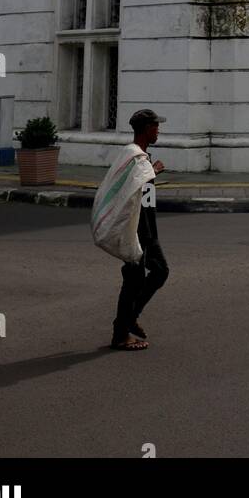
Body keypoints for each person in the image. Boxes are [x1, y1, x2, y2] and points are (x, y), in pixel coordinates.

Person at [92, 108, 170, 351]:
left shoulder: (140, 158)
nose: (159, 130)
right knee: (134, 280)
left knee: (160, 272)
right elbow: (135, 183)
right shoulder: (136, 159)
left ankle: (130, 317)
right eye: (156, 126)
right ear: (147, 129)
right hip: (135, 231)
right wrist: (153, 171)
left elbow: (143, 197)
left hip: (148, 230)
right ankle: (120, 333)